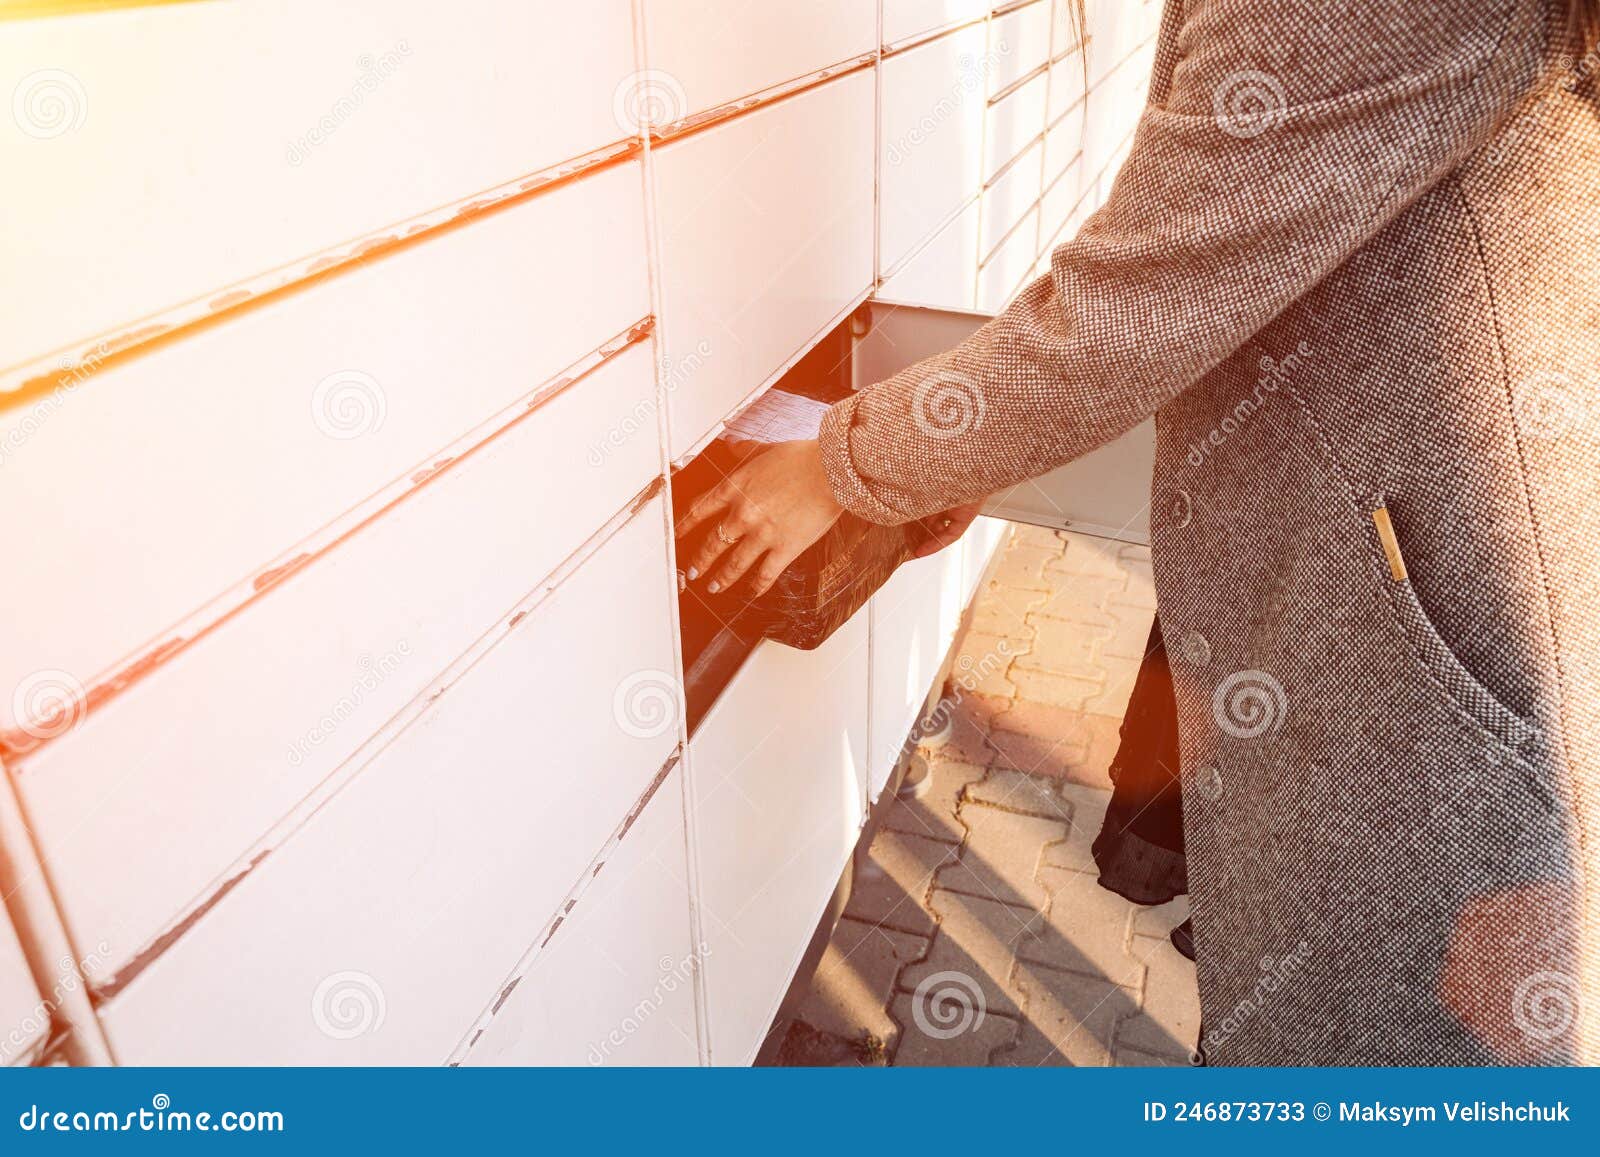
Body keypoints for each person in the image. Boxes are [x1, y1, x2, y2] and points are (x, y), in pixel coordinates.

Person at [676, 0, 1600, 1064]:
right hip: (1425, 619)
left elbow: (1141, 299)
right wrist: (969, 438)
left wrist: (851, 463)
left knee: (1360, 1054)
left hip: (1435, 657)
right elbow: (1209, 252)